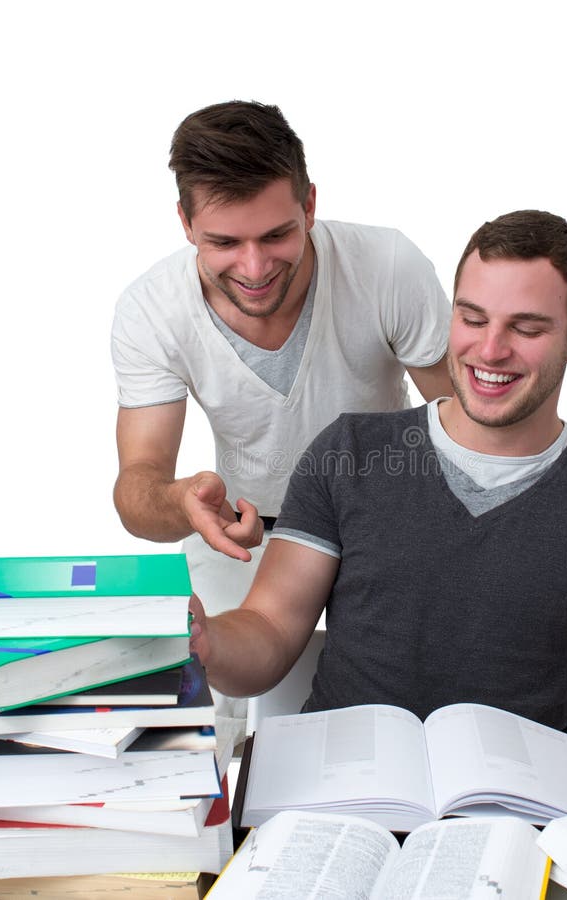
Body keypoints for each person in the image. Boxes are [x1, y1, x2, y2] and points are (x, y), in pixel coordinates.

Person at [189, 209, 567, 732]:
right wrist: (207, 640)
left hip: (520, 786)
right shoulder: (350, 452)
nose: (490, 350)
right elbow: (269, 628)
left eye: (526, 328)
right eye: (472, 319)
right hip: (345, 777)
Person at [111, 101, 453, 725]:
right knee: (213, 716)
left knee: (401, 719)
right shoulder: (152, 310)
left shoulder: (387, 266)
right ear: (185, 223)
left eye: (275, 235)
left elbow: (466, 426)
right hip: (246, 539)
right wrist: (183, 502)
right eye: (224, 242)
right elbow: (138, 487)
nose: (255, 267)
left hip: (385, 529)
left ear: (310, 205)